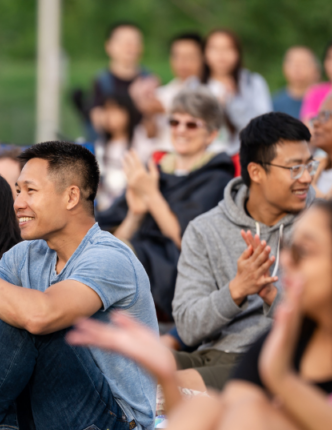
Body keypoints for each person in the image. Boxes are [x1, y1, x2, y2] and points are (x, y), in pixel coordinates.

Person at [69, 198, 332, 430]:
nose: (286, 262)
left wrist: (283, 381)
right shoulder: (283, 341)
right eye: (288, 248)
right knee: (205, 412)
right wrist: (166, 377)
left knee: (255, 414)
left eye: (304, 252)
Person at [0, 141, 158, 430]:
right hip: (47, 415)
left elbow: (39, 315)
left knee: (32, 320)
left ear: (71, 196)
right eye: (17, 191)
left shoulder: (109, 257)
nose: (17, 203)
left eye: (29, 191)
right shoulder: (26, 254)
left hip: (113, 427)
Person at [170, 113, 316, 392]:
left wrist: (272, 296)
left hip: (272, 359)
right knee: (130, 367)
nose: (307, 178)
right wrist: (236, 289)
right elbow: (188, 327)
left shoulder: (322, 224)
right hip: (209, 354)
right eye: (295, 168)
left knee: (168, 387)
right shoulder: (205, 229)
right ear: (256, 172)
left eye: (309, 165)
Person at [98, 90, 235, 319]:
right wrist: (135, 214)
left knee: (115, 257)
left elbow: (186, 239)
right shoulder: (156, 169)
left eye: (191, 124)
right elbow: (108, 231)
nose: (180, 130)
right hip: (136, 255)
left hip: (173, 268)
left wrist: (151, 194)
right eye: (174, 122)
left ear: (211, 135)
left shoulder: (217, 176)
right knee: (96, 249)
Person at [202, 29, 272, 143]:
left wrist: (235, 101)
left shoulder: (252, 82)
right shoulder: (196, 87)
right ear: (204, 53)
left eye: (228, 48)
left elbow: (265, 124)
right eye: (214, 48)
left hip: (246, 153)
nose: (221, 54)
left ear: (238, 53)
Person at [92, 91, 150, 211]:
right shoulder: (100, 146)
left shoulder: (141, 142)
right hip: (104, 208)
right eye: (105, 110)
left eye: (115, 110)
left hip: (132, 206)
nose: (108, 116)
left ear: (128, 113)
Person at [154, 32, 205, 115]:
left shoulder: (214, 89)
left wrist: (164, 110)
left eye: (189, 57)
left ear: (203, 58)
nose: (183, 63)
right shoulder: (161, 94)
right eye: (178, 57)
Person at [271, 46, 321, 118]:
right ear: (284, 68)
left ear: (315, 69)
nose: (297, 67)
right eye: (292, 63)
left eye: (303, 63)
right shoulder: (275, 103)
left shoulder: (325, 99)